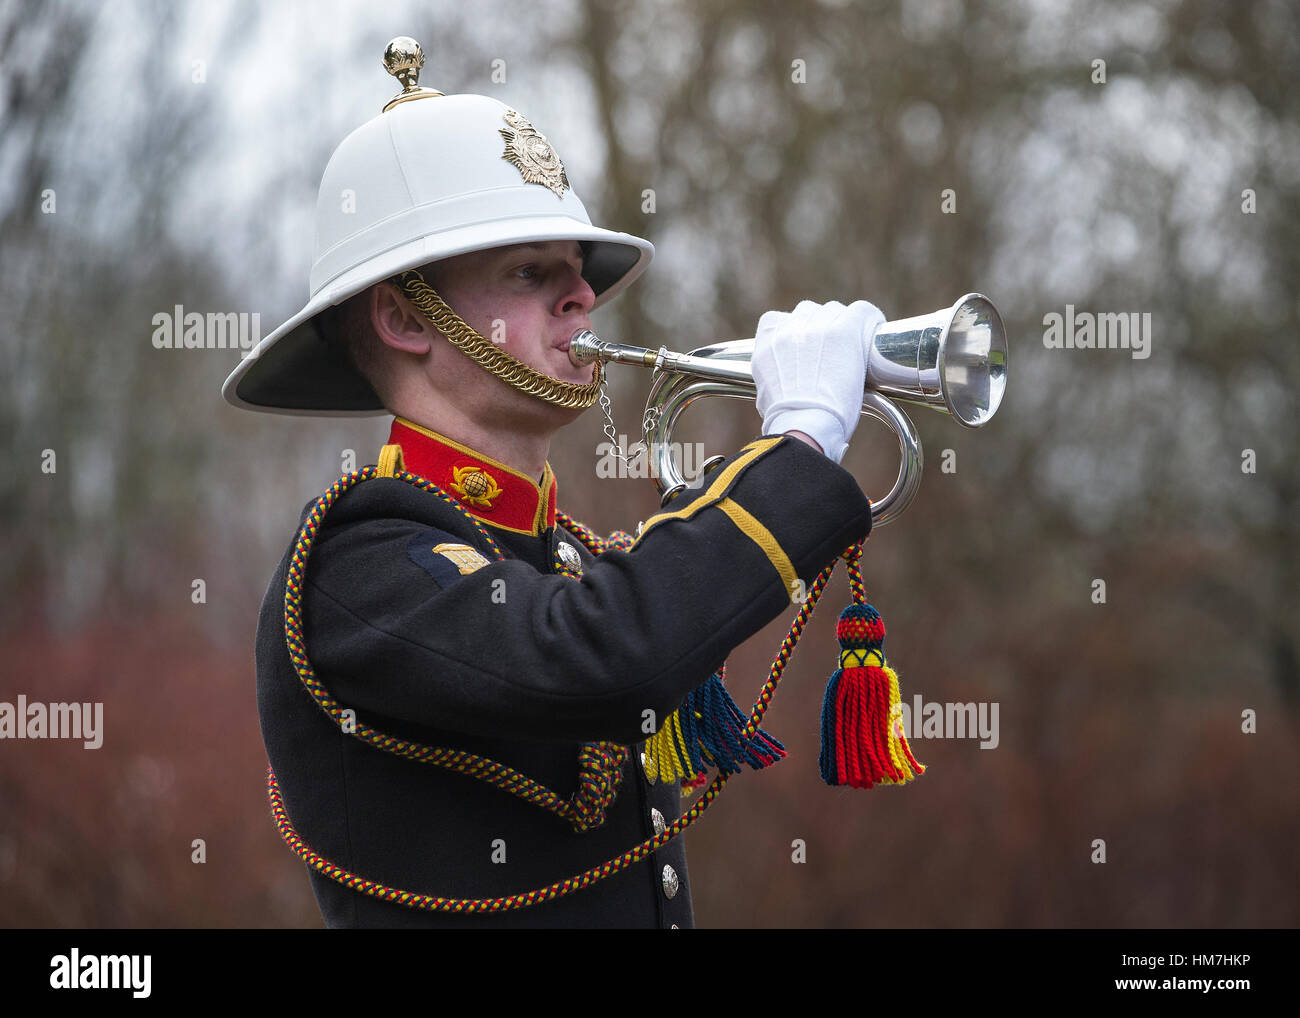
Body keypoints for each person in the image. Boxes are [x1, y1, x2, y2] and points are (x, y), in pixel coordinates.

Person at [223, 38, 883, 928]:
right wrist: (800, 442)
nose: (583, 298)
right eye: (533, 274)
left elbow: (632, 615)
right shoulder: (355, 564)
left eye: (580, 274)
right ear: (405, 316)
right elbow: (595, 656)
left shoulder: (563, 554)